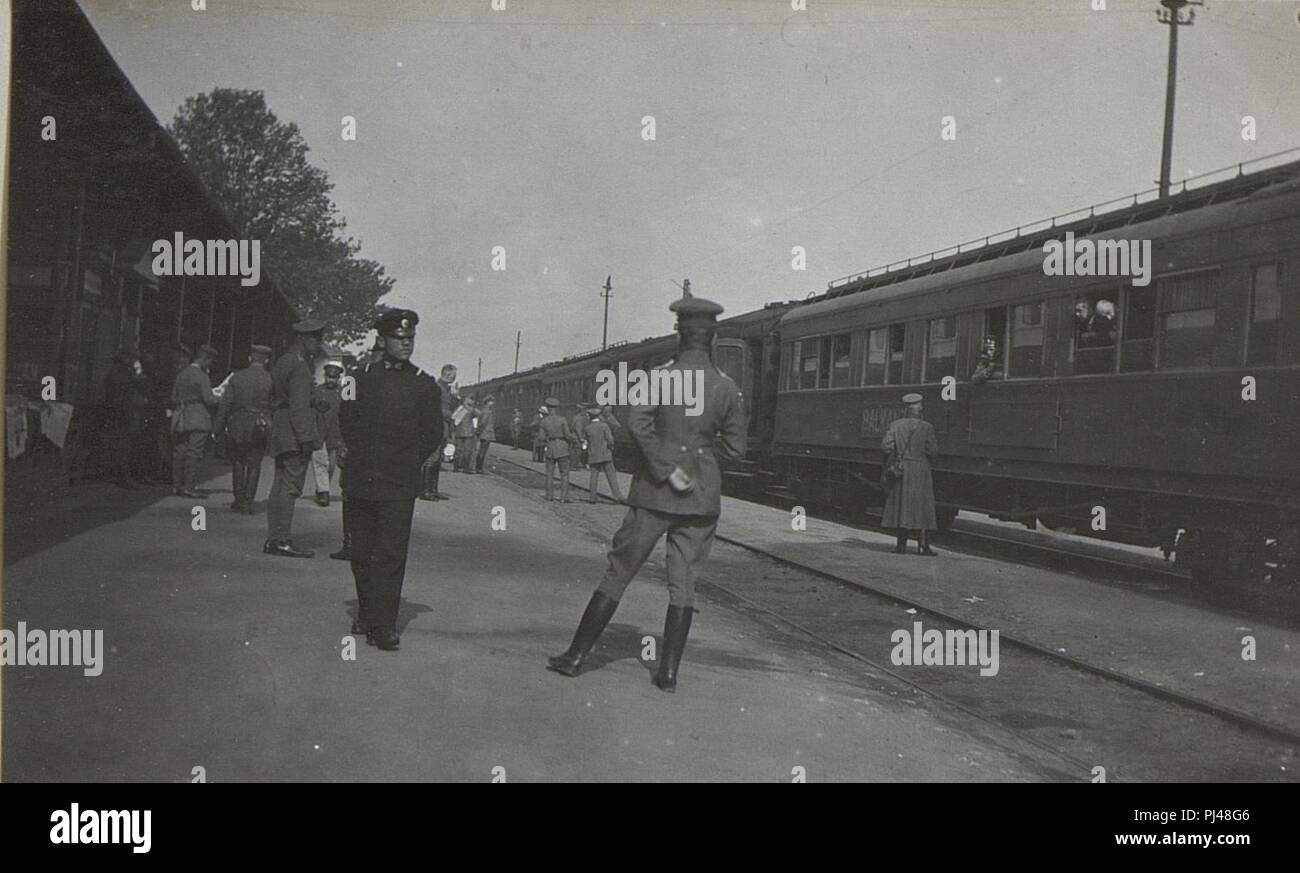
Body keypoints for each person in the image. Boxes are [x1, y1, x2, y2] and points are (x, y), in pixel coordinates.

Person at [548, 292, 745, 692]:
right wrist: (700, 466)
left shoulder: (660, 377)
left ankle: (576, 657)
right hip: (700, 499)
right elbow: (737, 448)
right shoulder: (727, 387)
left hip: (655, 494)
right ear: (713, 338)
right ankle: (668, 673)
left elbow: (637, 425)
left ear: (678, 333)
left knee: (619, 571)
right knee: (684, 582)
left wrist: (666, 468)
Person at [339, 309, 441, 651]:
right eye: (399, 339)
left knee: (391, 553)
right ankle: (367, 612)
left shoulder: (424, 385)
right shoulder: (357, 379)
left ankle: (384, 625)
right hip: (361, 479)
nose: (406, 344)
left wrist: (406, 463)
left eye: (410, 338)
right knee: (361, 552)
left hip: (398, 484)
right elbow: (346, 423)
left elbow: (432, 434)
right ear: (382, 340)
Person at [265, 319, 325, 558]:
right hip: (294, 433)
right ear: (303, 339)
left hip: (281, 429)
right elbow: (298, 407)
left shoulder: (283, 361)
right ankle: (281, 539)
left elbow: (283, 397)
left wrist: (312, 400)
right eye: (316, 339)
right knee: (290, 488)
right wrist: (306, 439)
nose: (318, 345)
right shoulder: (300, 366)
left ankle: (273, 538)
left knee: (278, 486)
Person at [214, 344, 272, 514]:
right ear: (266, 361)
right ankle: (248, 501)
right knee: (254, 464)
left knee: (238, 462)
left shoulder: (237, 378)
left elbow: (225, 404)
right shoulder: (270, 379)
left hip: (237, 424)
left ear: (249, 358)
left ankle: (238, 499)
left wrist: (217, 428)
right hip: (260, 425)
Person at [881, 392, 940, 556]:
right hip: (921, 470)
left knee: (903, 506)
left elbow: (885, 446)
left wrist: (899, 454)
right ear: (919, 409)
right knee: (923, 508)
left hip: (903, 470)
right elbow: (933, 451)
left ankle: (901, 547)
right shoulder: (927, 427)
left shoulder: (896, 425)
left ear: (907, 409)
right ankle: (923, 547)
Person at [170, 344, 219, 498]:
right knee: (194, 453)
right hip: (198, 417)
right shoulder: (202, 376)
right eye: (210, 361)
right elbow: (209, 399)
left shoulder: (182, 374)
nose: (210, 365)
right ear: (205, 359)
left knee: (179, 452)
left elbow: (173, 397)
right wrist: (221, 398)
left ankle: (177, 486)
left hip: (181, 417)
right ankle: (189, 487)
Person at [103, 347, 148, 490]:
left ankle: (125, 476)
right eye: (134, 359)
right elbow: (125, 396)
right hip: (123, 414)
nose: (136, 362)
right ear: (127, 359)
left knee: (124, 446)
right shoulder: (123, 375)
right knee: (123, 447)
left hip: (122, 413)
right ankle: (124, 477)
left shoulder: (118, 373)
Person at [420, 364, 458, 501]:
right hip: (436, 427)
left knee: (438, 458)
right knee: (432, 458)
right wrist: (448, 414)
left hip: (444, 427)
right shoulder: (437, 388)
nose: (455, 378)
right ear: (448, 374)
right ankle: (425, 491)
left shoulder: (447, 389)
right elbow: (431, 408)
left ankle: (433, 490)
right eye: (454, 375)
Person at [310, 361, 345, 506]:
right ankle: (324, 493)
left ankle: (322, 489)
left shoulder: (344, 393)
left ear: (339, 378)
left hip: (336, 434)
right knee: (320, 463)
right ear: (324, 376)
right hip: (319, 432)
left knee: (330, 466)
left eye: (334, 378)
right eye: (329, 377)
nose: (331, 380)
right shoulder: (317, 391)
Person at [585, 406, 623, 504]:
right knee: (611, 476)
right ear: (599, 415)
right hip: (606, 454)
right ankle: (617, 497)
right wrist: (610, 448)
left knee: (593, 476)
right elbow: (610, 440)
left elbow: (586, 442)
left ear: (590, 416)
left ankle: (592, 498)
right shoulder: (604, 426)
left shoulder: (587, 428)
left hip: (593, 455)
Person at [540, 398, 576, 501]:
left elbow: (541, 437)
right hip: (562, 448)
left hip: (550, 448)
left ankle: (549, 496)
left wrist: (548, 439)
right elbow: (568, 435)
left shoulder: (544, 421)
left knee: (549, 474)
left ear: (547, 408)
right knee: (564, 474)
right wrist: (573, 440)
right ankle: (563, 497)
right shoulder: (562, 419)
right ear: (556, 408)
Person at [453, 397, 478, 473]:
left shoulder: (460, 409)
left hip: (459, 432)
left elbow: (453, 418)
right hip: (469, 433)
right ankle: (466, 468)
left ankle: (456, 467)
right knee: (467, 451)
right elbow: (479, 414)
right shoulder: (471, 410)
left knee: (458, 450)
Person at [474, 395, 495, 473]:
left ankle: (478, 467)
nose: (493, 403)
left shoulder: (484, 410)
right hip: (486, 433)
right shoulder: (487, 411)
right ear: (488, 402)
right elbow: (483, 422)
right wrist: (479, 431)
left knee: (482, 450)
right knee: (483, 451)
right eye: (491, 401)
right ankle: (479, 468)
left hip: (484, 433)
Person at [572, 405, 591, 469]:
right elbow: (578, 429)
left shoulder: (578, 417)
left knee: (579, 451)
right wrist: (581, 438)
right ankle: (574, 465)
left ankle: (577, 464)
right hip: (578, 437)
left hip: (578, 437)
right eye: (585, 410)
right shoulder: (579, 418)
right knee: (578, 452)